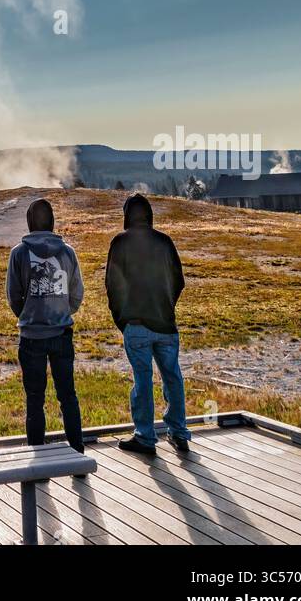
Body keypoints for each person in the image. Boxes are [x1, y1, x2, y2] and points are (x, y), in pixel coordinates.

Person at [105, 192, 191, 455]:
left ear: (127, 215)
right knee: (173, 378)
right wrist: (166, 306)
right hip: (165, 323)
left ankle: (145, 436)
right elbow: (179, 281)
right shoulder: (165, 242)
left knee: (142, 380)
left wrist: (123, 319)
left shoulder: (120, 242)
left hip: (136, 324)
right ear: (150, 214)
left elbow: (112, 285)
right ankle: (179, 433)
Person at [5, 197, 85, 452]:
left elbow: (13, 295)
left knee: (35, 399)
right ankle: (77, 451)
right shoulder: (68, 252)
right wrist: (62, 311)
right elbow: (77, 293)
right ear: (52, 222)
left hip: (31, 336)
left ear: (29, 223)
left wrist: (29, 314)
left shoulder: (19, 253)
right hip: (61, 332)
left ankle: (38, 457)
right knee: (68, 396)